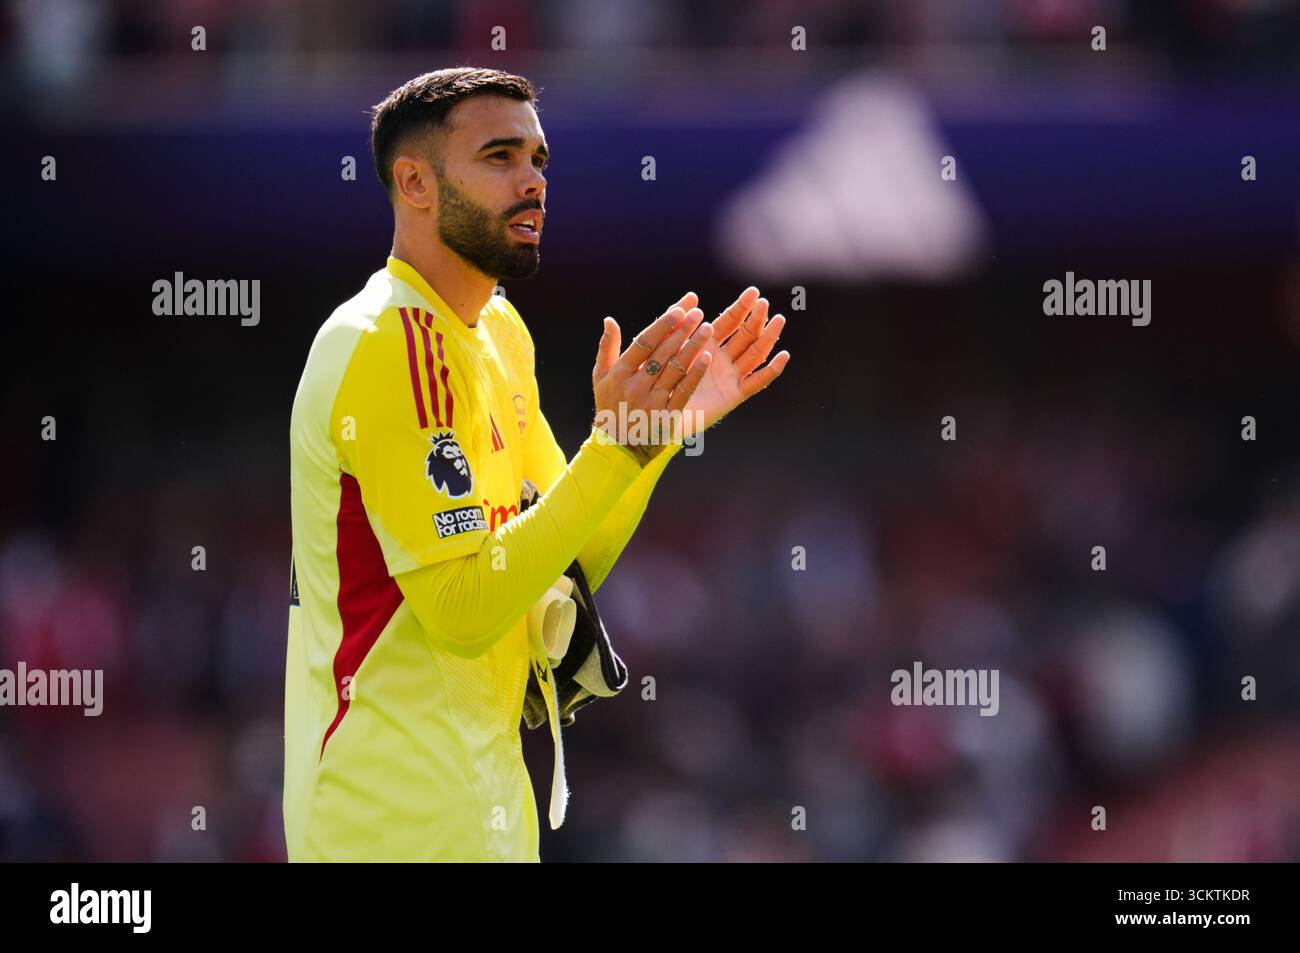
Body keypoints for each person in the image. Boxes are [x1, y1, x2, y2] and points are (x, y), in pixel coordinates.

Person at [284, 67, 789, 861]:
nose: (533, 183)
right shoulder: (385, 344)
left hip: (488, 813)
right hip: (387, 827)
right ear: (414, 182)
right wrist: (613, 448)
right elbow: (461, 609)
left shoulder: (498, 333)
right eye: (499, 157)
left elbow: (568, 558)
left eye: (539, 161)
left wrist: (646, 443)